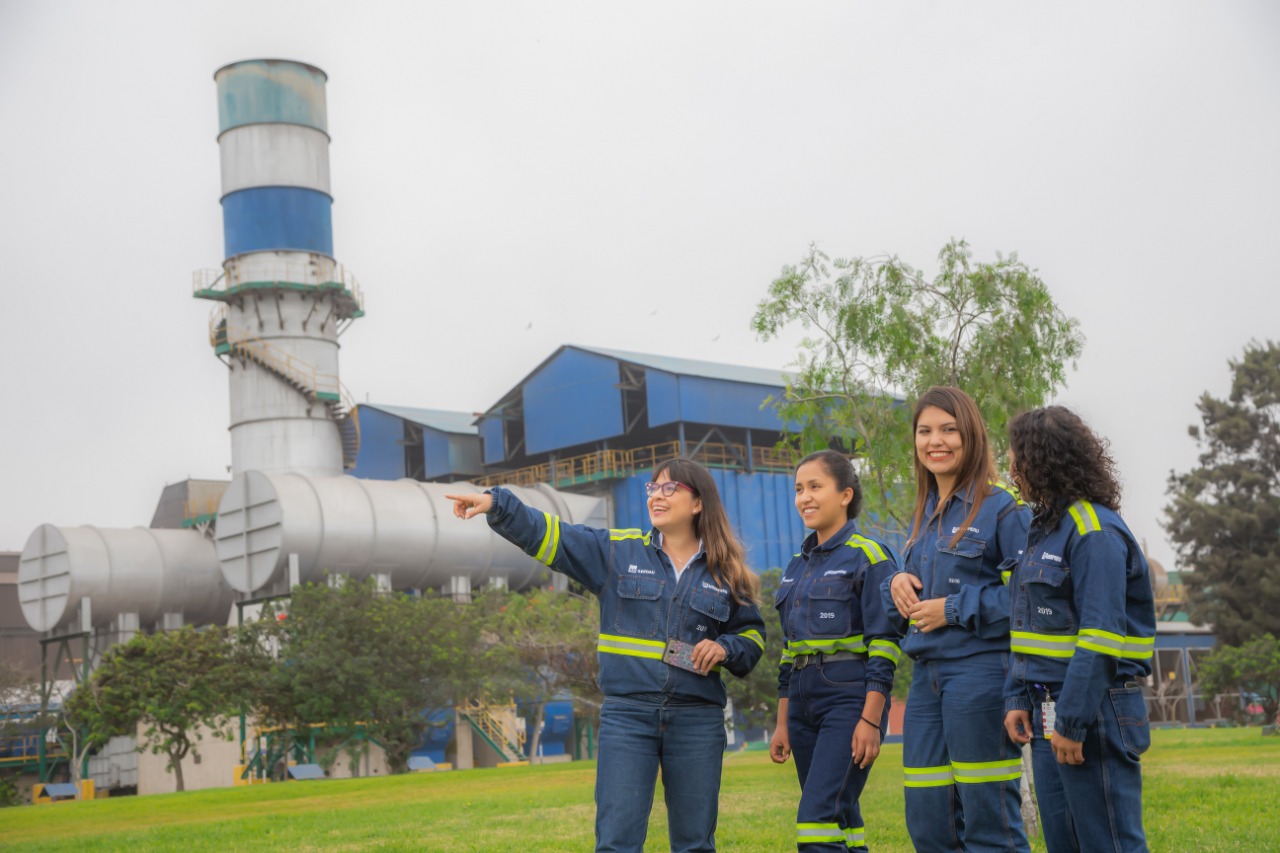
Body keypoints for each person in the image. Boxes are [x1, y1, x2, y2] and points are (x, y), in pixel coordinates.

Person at [446, 457, 765, 853]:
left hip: (697, 720)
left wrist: (726, 647)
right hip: (628, 718)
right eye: (653, 488)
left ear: (698, 503)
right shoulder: (618, 552)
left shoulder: (726, 572)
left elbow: (753, 636)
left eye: (670, 489)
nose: (656, 496)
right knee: (616, 842)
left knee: (696, 844)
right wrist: (498, 504)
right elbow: (554, 536)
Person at [883, 386, 1031, 853]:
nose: (935, 441)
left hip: (980, 675)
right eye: (925, 431)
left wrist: (951, 609)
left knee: (989, 824)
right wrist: (897, 582)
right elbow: (919, 592)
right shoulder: (924, 516)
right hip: (925, 681)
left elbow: (1031, 598)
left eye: (948, 429)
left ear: (970, 436)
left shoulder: (1003, 509)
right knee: (929, 824)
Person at [1002, 406, 1156, 853]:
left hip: (1096, 710)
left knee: (1109, 843)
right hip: (1049, 707)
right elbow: (1026, 624)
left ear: (1039, 459)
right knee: (1064, 843)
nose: (1011, 465)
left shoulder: (1094, 531)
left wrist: (1071, 720)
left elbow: (1100, 638)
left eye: (1016, 455)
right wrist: (1017, 695)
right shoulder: (1042, 530)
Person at [770, 450, 901, 852]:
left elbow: (886, 643)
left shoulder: (870, 556)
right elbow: (789, 651)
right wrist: (782, 721)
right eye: (798, 489)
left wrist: (870, 718)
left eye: (815, 487)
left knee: (816, 820)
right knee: (842, 815)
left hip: (849, 697)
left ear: (845, 494)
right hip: (802, 703)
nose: (804, 498)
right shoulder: (796, 565)